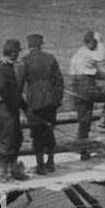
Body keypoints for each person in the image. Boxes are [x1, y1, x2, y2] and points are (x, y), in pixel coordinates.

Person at [16, 33, 64, 174]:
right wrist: (57, 100)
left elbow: (19, 85)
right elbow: (59, 82)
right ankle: (51, 162)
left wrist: (22, 106)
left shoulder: (25, 61)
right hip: (50, 101)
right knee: (49, 131)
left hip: (34, 103)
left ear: (29, 46)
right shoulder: (50, 58)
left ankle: (40, 165)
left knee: (37, 134)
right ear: (40, 44)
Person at [69, 30, 105, 159]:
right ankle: (103, 122)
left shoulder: (79, 53)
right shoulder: (90, 53)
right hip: (87, 88)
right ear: (92, 42)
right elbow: (101, 57)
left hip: (76, 89)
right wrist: (101, 43)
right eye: (95, 43)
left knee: (84, 121)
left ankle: (83, 151)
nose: (96, 45)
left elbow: (97, 74)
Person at [0, 39, 28, 183]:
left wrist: (24, 107)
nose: (18, 55)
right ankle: (2, 172)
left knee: (17, 137)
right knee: (7, 139)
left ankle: (12, 168)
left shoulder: (9, 67)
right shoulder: (1, 68)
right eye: (17, 52)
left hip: (10, 109)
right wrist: (14, 98)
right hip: (5, 110)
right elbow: (1, 87)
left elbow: (11, 91)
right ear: (13, 53)